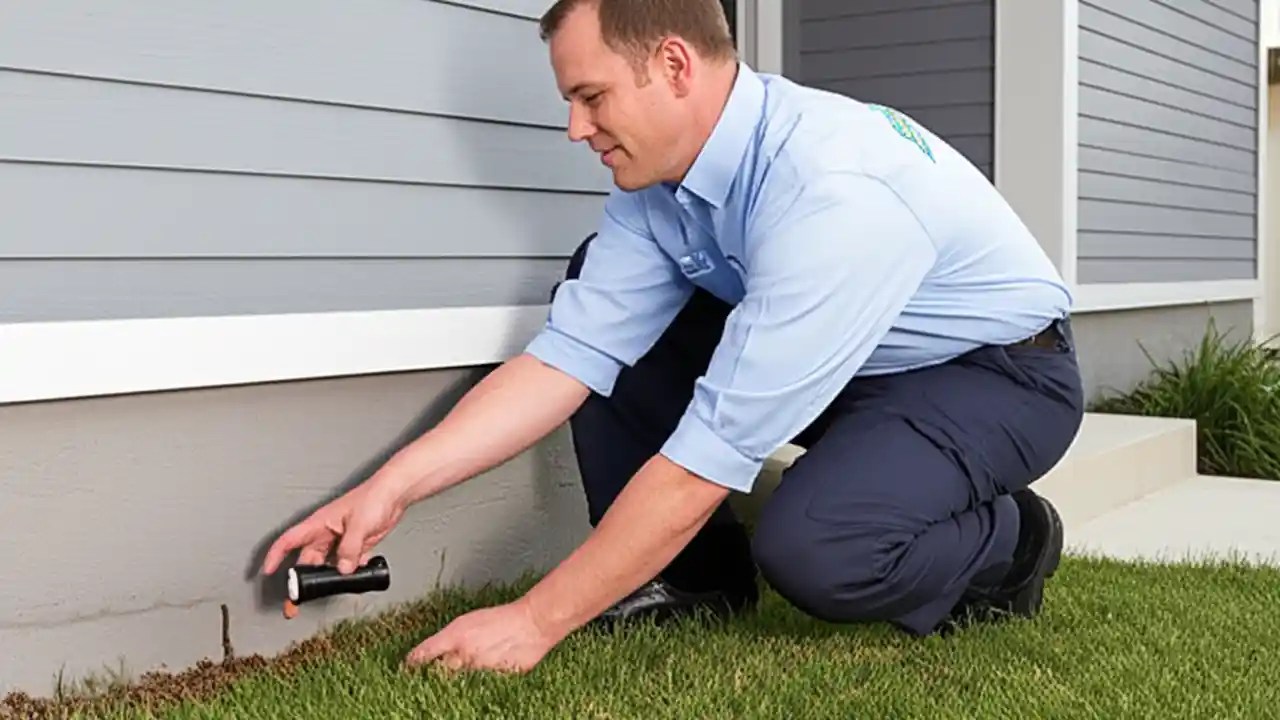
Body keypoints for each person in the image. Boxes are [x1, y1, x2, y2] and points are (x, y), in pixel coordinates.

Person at [261, 0, 1085, 674]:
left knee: (815, 547)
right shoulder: (664, 189)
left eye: (591, 97)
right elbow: (567, 361)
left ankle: (1014, 542)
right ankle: (691, 579)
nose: (575, 130)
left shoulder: (832, 194)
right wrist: (390, 489)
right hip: (862, 360)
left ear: (674, 66)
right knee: (602, 281)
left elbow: (705, 461)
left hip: (997, 377)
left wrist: (533, 622)